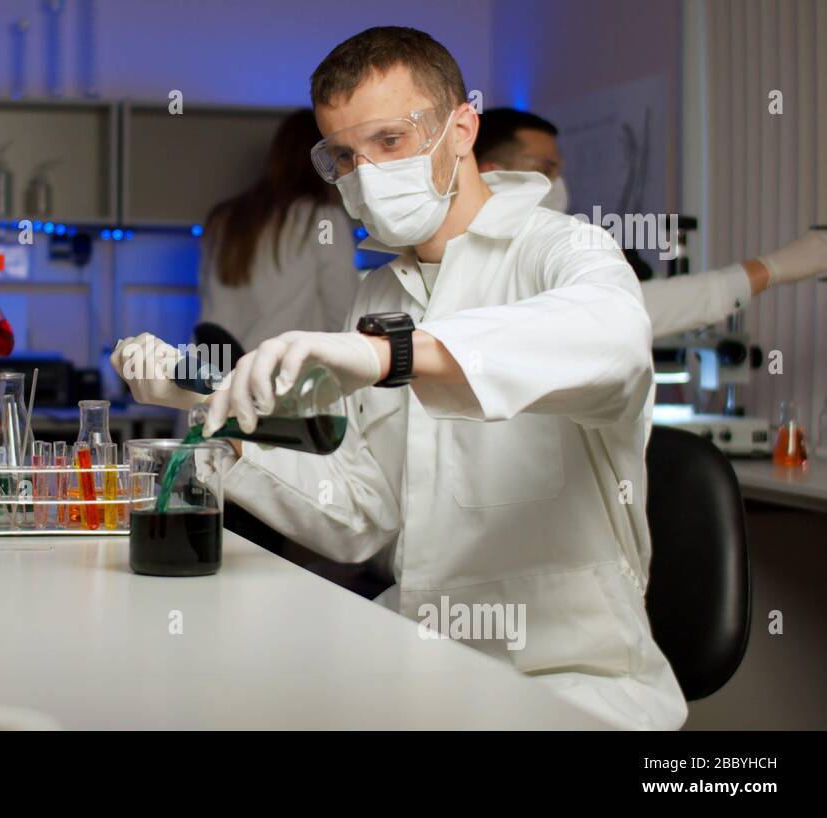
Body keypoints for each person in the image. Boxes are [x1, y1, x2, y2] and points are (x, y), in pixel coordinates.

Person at [115, 26, 688, 730]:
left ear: (461, 128)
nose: (367, 174)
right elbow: (362, 513)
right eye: (347, 156)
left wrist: (398, 355)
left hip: (567, 680)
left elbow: (612, 340)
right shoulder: (377, 295)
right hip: (421, 657)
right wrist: (214, 409)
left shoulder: (562, 247)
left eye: (390, 141)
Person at [475, 107, 827, 338]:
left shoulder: (556, 244)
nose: (559, 184)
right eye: (544, 169)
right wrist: (771, 269)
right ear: (490, 173)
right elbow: (636, 309)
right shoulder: (479, 258)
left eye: (560, 171)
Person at [197, 109, 360, 352]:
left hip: (225, 378)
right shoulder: (322, 218)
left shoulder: (225, 220)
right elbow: (345, 316)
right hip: (287, 379)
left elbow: (213, 318)